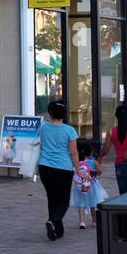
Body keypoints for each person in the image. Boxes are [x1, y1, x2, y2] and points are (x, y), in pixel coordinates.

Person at [37, 101, 80, 240]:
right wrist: (78, 170)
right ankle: (54, 221)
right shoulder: (69, 130)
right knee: (64, 200)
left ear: (50, 113)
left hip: (45, 167)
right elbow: (74, 153)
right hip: (63, 168)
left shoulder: (43, 127)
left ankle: (57, 230)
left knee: (52, 198)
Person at [71, 141, 107, 229]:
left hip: (79, 184)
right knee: (92, 202)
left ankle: (82, 222)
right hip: (88, 183)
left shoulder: (75, 161)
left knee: (81, 203)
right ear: (90, 151)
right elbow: (99, 172)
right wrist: (98, 164)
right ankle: (94, 221)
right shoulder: (92, 162)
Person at [99, 104, 127, 195]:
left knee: (123, 195)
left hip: (120, 165)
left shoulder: (111, 131)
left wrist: (99, 159)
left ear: (116, 116)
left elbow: (105, 149)